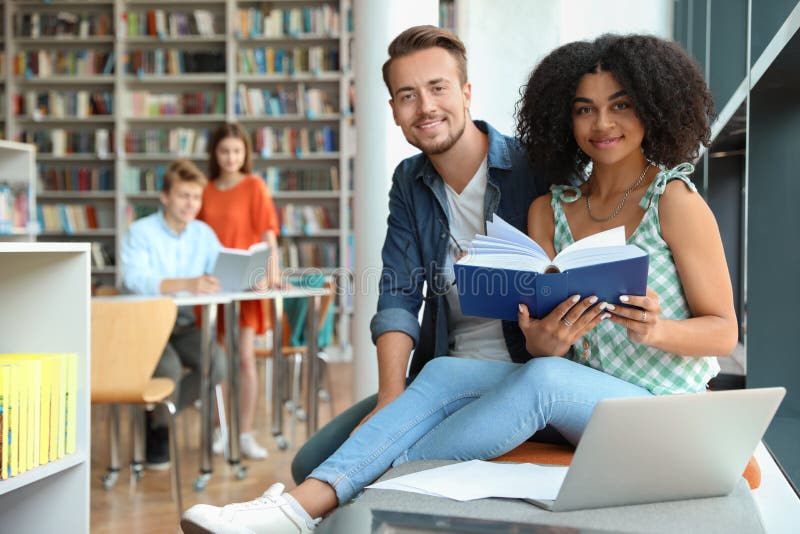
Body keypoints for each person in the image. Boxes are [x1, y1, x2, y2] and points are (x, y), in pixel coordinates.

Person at [181, 32, 739, 533]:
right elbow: (408, 291)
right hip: (552, 382)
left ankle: (314, 503)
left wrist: (657, 329)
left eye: (621, 106)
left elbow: (722, 332)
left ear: (467, 92)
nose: (602, 124)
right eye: (584, 110)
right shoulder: (554, 205)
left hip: (654, 404)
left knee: (541, 377)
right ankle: (308, 502)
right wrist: (548, 335)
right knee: (443, 379)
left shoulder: (672, 200)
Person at [290, 24, 550, 485]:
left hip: (518, 377)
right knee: (308, 462)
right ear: (393, 111)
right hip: (439, 374)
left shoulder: (534, 168)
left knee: (381, 470)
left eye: (437, 88)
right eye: (407, 95)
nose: (425, 106)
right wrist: (392, 397)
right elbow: (398, 291)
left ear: (466, 92)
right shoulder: (409, 180)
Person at [120, 158, 227, 470]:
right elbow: (135, 281)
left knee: (217, 363)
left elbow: (218, 271)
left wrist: (247, 277)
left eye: (195, 197)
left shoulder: (203, 234)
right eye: (183, 196)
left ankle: (157, 415)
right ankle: (160, 430)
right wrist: (188, 284)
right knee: (168, 368)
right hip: (146, 321)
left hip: (181, 322)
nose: (190, 204)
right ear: (165, 197)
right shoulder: (140, 232)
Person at [198, 123, 281, 460]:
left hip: (248, 283)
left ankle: (245, 432)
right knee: (218, 362)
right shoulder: (204, 190)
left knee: (245, 360)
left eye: (236, 151)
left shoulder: (254, 186)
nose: (230, 157)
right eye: (224, 151)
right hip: (215, 285)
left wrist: (271, 273)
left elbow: (268, 234)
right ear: (214, 154)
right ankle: (221, 429)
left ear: (245, 153)